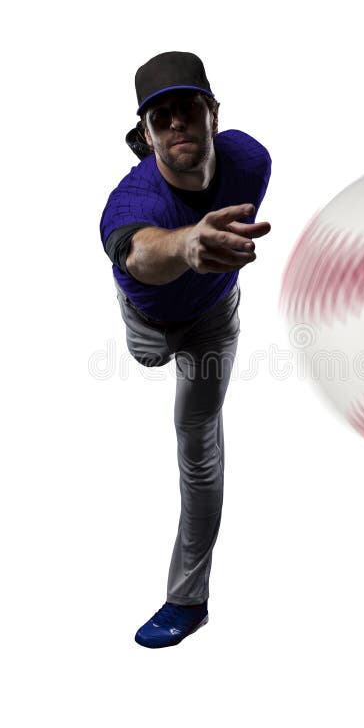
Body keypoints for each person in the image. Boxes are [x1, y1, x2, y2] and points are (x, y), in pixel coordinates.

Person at [99, 52, 272, 648]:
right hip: (149, 320)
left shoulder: (251, 160)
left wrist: (212, 259)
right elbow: (142, 251)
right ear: (145, 136)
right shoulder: (129, 204)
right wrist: (188, 246)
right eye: (161, 117)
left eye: (188, 110)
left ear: (213, 113)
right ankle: (152, 341)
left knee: (197, 446)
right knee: (146, 357)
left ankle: (187, 601)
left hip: (212, 319)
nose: (177, 125)